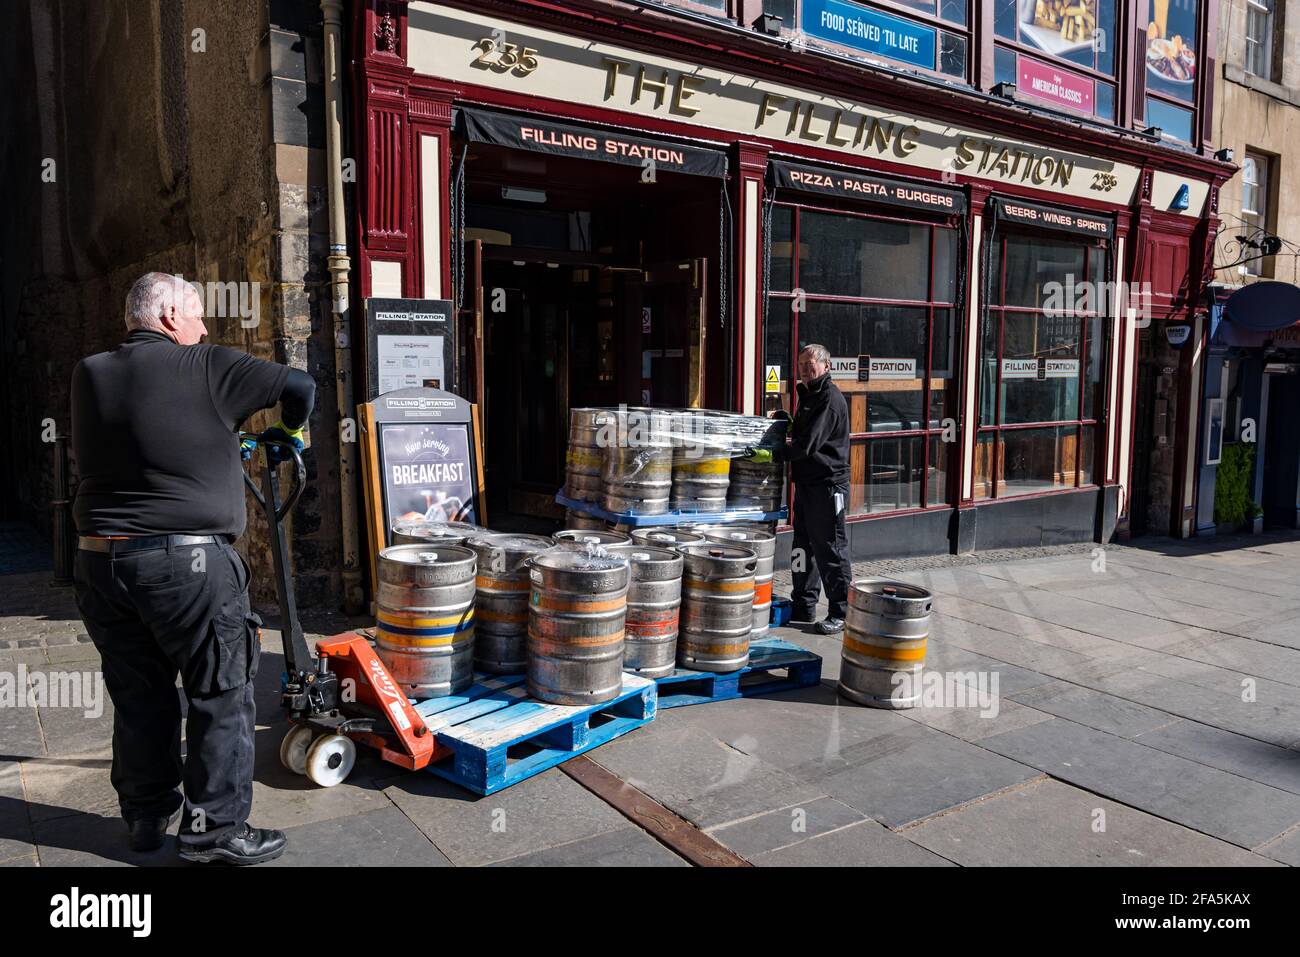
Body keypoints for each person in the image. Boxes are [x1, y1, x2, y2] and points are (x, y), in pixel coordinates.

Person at [71, 272, 316, 864]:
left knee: (139, 693)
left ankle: (147, 816)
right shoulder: (208, 365)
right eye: (198, 315)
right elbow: (300, 386)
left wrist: (219, 441)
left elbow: (155, 437)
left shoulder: (91, 373)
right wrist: (284, 431)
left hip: (101, 563)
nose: (205, 327)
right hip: (187, 565)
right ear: (170, 315)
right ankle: (213, 831)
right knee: (220, 692)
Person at [746, 343, 851, 635]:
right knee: (803, 547)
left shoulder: (828, 399)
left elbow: (807, 445)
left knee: (831, 549)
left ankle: (841, 611)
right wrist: (790, 425)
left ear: (826, 367)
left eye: (811, 364)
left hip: (828, 486)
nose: (805, 369)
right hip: (806, 484)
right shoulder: (808, 395)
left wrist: (774, 453)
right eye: (802, 364)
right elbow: (804, 434)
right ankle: (803, 604)